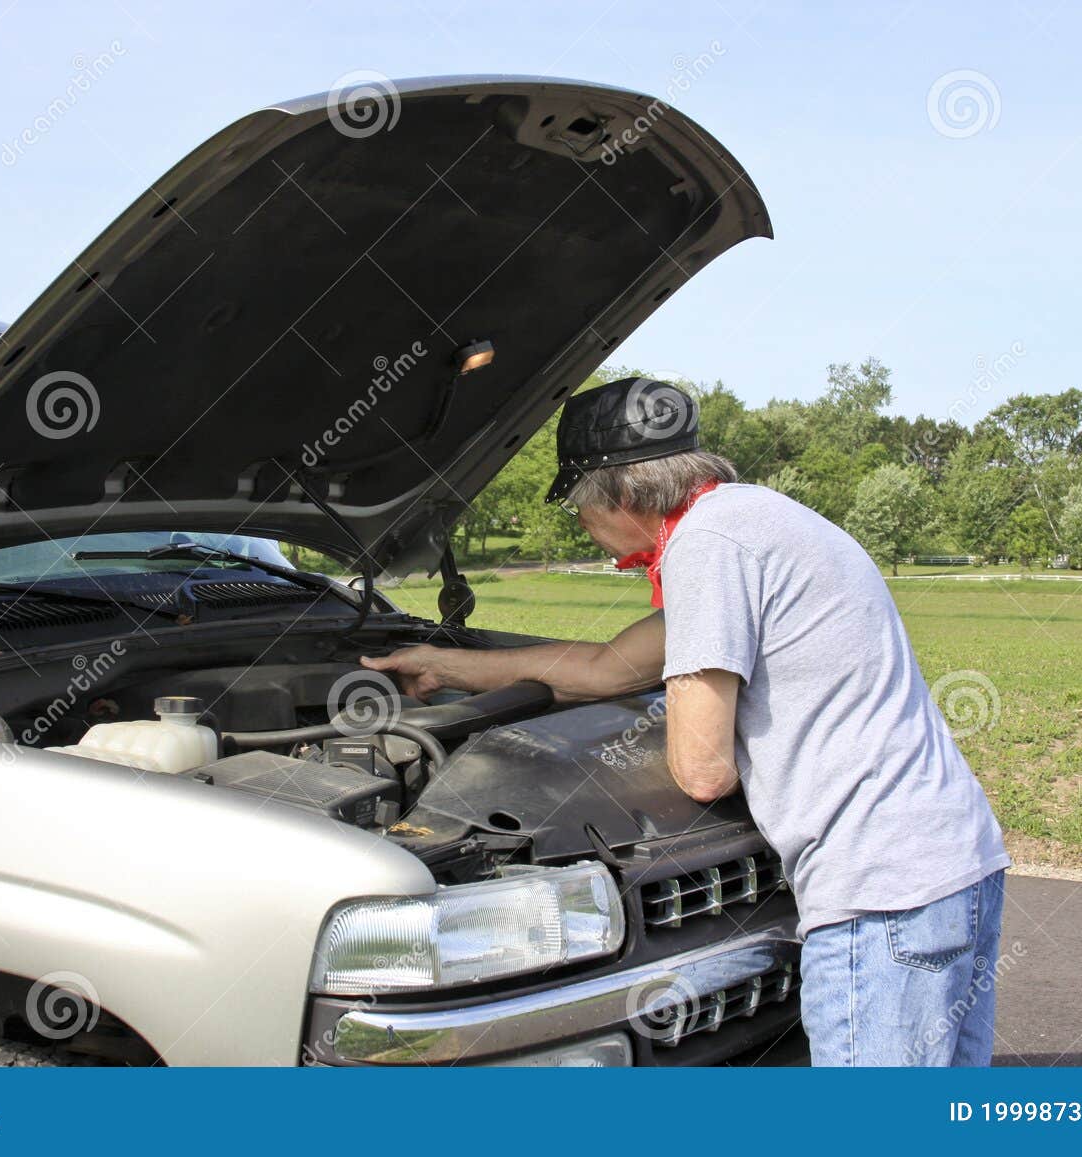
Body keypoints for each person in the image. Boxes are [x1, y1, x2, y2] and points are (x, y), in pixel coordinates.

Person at [363, 376, 1013, 1066]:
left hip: (879, 895)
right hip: (954, 866)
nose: (586, 529)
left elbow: (702, 769)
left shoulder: (707, 547)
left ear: (618, 493)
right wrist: (444, 665)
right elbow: (608, 667)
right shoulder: (753, 521)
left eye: (581, 509)